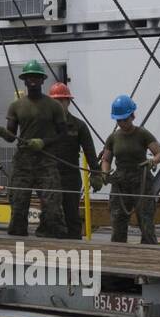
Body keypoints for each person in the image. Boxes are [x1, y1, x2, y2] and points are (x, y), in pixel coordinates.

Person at [0, 60, 67, 238]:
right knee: (18, 206)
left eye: (36, 77)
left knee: (52, 208)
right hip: (23, 162)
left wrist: (43, 142)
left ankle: (50, 240)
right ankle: (18, 244)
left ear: (43, 80)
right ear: (24, 81)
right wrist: (4, 133)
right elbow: (12, 137)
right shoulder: (16, 106)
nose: (32, 81)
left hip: (46, 161)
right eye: (29, 77)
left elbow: (63, 135)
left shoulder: (54, 106)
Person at [99, 95, 160, 244]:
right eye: (119, 120)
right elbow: (106, 159)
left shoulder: (143, 134)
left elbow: (159, 155)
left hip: (141, 181)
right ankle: (119, 253)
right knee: (118, 219)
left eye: (125, 119)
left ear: (132, 116)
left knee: (145, 219)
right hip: (121, 182)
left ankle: (149, 253)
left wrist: (151, 161)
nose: (122, 123)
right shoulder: (113, 138)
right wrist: (105, 173)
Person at [48, 82, 102, 239]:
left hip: (71, 178)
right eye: (55, 102)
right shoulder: (44, 125)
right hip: (49, 178)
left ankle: (75, 251)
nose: (58, 105)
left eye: (61, 101)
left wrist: (96, 174)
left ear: (68, 102)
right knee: (51, 217)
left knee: (72, 215)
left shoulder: (79, 126)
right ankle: (52, 253)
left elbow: (90, 152)